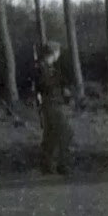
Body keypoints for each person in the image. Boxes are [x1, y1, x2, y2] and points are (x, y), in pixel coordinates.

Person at [34, 41, 74, 174]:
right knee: (65, 133)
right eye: (57, 52)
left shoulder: (50, 68)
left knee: (51, 136)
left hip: (53, 103)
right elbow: (46, 86)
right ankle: (63, 164)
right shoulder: (42, 68)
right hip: (51, 103)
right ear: (53, 53)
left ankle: (47, 165)